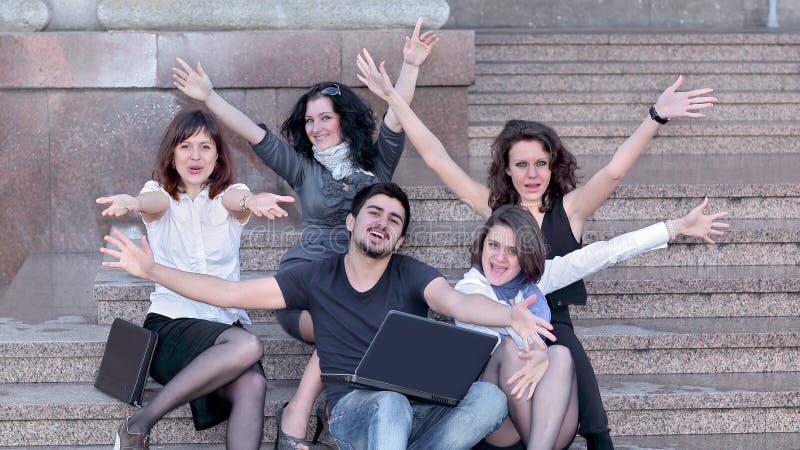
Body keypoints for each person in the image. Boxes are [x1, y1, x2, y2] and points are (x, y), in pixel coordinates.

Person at [355, 53, 718, 449]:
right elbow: (438, 158)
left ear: (551, 166)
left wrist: (656, 118)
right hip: (505, 337)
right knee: (519, 351)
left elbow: (611, 192)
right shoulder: (493, 230)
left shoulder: (567, 216)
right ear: (507, 170)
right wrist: (394, 96)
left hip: (551, 321)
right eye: (522, 164)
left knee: (567, 360)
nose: (532, 174)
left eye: (541, 164)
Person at [100, 182, 560, 450]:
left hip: (420, 411)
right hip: (352, 412)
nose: (382, 222)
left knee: (489, 400)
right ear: (351, 223)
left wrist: (508, 316)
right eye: (373, 213)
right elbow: (228, 291)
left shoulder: (412, 273)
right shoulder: (315, 277)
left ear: (400, 240)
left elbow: (458, 303)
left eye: (394, 220)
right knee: (389, 402)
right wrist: (151, 269)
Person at [171, 18, 438, 449]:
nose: (315, 128)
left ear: (343, 121)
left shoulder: (377, 164)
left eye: (324, 118)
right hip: (308, 278)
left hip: (368, 275)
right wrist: (210, 97)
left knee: (366, 318)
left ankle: (318, 414)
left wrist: (410, 68)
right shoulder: (302, 167)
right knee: (346, 320)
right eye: (309, 120)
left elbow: (396, 118)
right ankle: (313, 412)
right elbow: (253, 134)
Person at [95, 108, 294, 450]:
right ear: (172, 154)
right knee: (248, 345)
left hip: (223, 329)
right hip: (172, 327)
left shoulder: (230, 196)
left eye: (205, 146)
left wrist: (253, 200)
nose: (195, 155)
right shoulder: (158, 195)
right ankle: (141, 422)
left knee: (254, 385)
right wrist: (133, 202)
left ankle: (137, 423)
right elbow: (152, 202)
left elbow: (237, 199)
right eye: (186, 146)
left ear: (218, 155)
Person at [454, 203, 728, 450]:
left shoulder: (534, 282)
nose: (500, 258)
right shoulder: (470, 287)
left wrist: (675, 227)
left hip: (545, 424)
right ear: (482, 245)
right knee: (510, 349)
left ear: (525, 256)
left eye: (512, 251)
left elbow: (603, 253)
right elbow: (475, 309)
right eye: (494, 246)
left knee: (560, 353)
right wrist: (523, 335)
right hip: (498, 425)